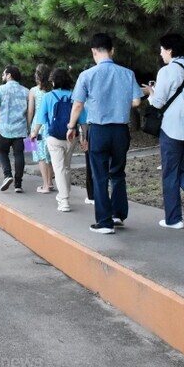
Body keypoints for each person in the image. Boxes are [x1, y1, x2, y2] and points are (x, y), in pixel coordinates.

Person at [67, 33, 142, 234]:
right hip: (120, 130)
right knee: (117, 173)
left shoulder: (86, 76)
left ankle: (105, 221)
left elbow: (78, 104)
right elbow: (136, 101)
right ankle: (118, 214)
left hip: (98, 130)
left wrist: (71, 126)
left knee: (100, 175)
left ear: (93, 52)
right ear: (112, 50)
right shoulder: (127, 74)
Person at [141, 32, 184, 229]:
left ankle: (174, 219)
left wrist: (150, 93)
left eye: (162, 50)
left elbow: (158, 102)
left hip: (172, 129)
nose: (161, 54)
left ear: (169, 50)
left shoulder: (167, 71)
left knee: (170, 173)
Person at [34, 67, 86, 212]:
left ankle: (64, 200)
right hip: (71, 136)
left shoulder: (48, 97)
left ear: (54, 82)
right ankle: (65, 194)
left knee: (59, 168)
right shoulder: (74, 96)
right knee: (67, 167)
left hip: (54, 136)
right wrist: (84, 135)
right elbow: (82, 118)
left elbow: (41, 117)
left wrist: (34, 132)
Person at [0, 65, 30, 193]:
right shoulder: (26, 91)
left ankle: (7, 175)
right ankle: (18, 184)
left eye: (4, 74)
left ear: (9, 75)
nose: (2, 76)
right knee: (19, 155)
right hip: (20, 129)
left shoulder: (0, 90)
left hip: (4, 128)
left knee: (2, 152)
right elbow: (30, 112)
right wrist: (28, 127)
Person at [27, 64, 55, 193]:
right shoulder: (52, 91)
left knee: (40, 155)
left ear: (37, 76)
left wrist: (29, 127)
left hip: (37, 124)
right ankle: (50, 182)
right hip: (51, 123)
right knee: (50, 153)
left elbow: (31, 111)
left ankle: (45, 185)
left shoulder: (33, 91)